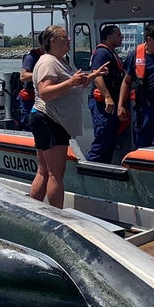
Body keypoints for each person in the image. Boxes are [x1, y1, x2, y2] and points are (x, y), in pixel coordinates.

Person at [29, 25, 106, 208]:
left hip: (48, 118)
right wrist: (71, 81)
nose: (69, 40)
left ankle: (34, 210)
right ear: (53, 41)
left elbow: (71, 84)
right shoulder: (48, 62)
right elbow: (45, 92)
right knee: (55, 173)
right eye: (65, 37)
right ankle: (56, 215)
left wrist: (93, 75)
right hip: (50, 119)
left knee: (44, 171)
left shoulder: (60, 61)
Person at [86, 24, 124, 163]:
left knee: (110, 141)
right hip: (103, 105)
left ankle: (104, 168)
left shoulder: (111, 53)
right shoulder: (102, 53)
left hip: (111, 105)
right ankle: (91, 169)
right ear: (108, 37)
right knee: (102, 139)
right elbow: (96, 75)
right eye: (118, 35)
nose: (121, 38)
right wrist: (107, 96)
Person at [14, 45, 43, 130]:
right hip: (30, 100)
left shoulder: (54, 57)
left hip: (44, 99)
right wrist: (44, 73)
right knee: (30, 125)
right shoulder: (31, 57)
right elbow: (23, 76)